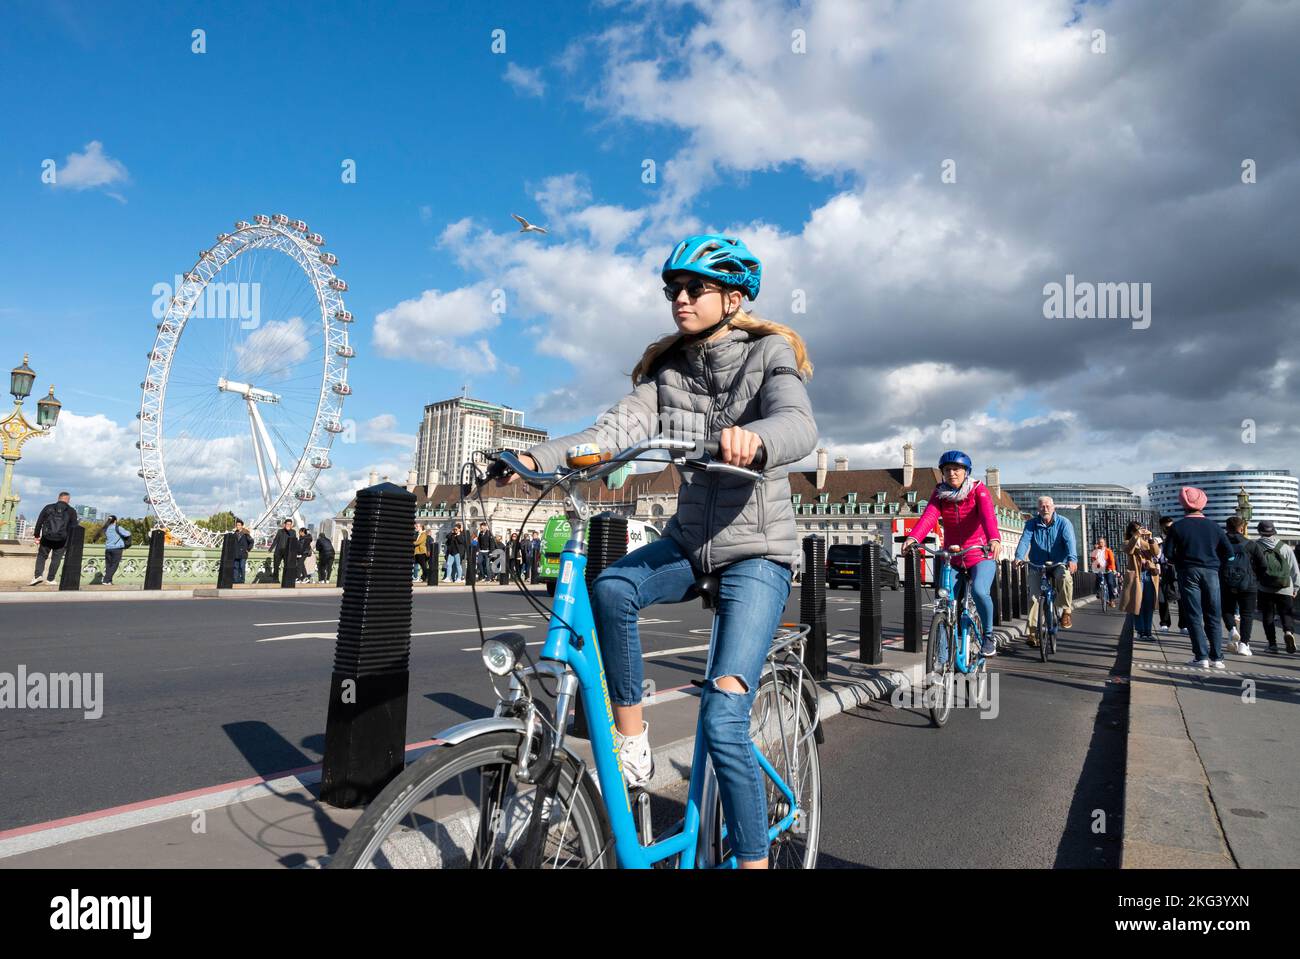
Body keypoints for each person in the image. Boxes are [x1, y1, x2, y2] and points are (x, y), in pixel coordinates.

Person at [503, 233, 816, 869]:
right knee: (611, 588)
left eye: (694, 288)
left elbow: (799, 425)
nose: (680, 298)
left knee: (724, 720)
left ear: (732, 298)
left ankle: (755, 862)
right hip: (689, 544)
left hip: (758, 553)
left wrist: (752, 441)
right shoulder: (669, 373)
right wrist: (537, 458)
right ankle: (632, 737)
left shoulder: (770, 352)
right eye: (673, 288)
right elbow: (610, 434)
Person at [900, 450, 1002, 658]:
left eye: (956, 469)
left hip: (980, 554)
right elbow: (929, 516)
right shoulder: (940, 493)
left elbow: (987, 516)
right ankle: (943, 659)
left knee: (980, 592)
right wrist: (913, 538)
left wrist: (994, 539)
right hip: (953, 557)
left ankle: (989, 636)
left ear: (966, 471)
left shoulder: (978, 490)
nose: (952, 473)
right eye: (947, 470)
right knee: (944, 603)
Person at [1163, 486, 1232, 668]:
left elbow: (1168, 553)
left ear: (1183, 504)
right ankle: (1217, 658)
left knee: (1194, 614)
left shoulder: (1177, 527)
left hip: (1188, 572)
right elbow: (1229, 553)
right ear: (1203, 504)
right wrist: (1217, 563)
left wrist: (1181, 561)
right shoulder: (1214, 526)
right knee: (1213, 614)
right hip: (1211, 572)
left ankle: (1201, 656)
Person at [1013, 496, 1078, 645]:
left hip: (1058, 563)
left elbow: (1070, 542)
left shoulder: (1064, 523)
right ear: (1038, 509)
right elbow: (1024, 540)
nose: (1045, 509)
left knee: (1065, 578)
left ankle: (1066, 611)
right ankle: (1033, 633)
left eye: (1048, 506)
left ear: (1053, 507)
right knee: (1034, 598)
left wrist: (1072, 559)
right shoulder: (1031, 524)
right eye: (1042, 506)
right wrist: (1018, 556)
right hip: (1037, 564)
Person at [1219, 516, 1263, 656]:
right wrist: (1255, 577)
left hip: (1225, 582)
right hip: (1248, 584)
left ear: (1226, 527)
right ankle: (1244, 644)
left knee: (1227, 609)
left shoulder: (1219, 544)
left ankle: (1232, 629)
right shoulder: (1251, 544)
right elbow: (1263, 565)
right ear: (1242, 528)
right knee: (1247, 614)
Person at [1254, 520, 1298, 653]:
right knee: (1286, 613)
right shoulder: (1285, 547)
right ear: (1274, 531)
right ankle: (1288, 632)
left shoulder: (1256, 547)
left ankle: (1272, 645)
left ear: (1259, 531)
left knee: (1268, 615)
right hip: (1285, 587)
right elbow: (1294, 570)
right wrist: (1295, 587)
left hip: (1264, 587)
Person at [1121, 522, 1161, 640]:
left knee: (1149, 604)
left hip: (1149, 575)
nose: (1140, 532)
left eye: (1141, 529)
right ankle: (1140, 631)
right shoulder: (1127, 542)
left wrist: (1150, 539)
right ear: (1131, 532)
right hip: (1136, 576)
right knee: (1138, 604)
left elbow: (1156, 552)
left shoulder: (1145, 543)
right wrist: (1136, 536)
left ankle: (1148, 631)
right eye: (1137, 530)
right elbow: (1129, 550)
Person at [29, 491, 78, 586]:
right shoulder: (71, 511)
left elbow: (39, 522)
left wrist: (36, 535)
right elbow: (74, 527)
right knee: (56, 559)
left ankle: (37, 576)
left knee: (42, 556)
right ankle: (50, 579)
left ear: (59, 498)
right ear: (68, 500)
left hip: (46, 538)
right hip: (62, 540)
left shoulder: (48, 507)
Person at [101, 514, 129, 586]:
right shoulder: (118, 528)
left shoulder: (106, 528)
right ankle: (106, 579)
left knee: (108, 565)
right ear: (115, 521)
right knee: (114, 565)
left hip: (108, 548)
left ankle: (109, 581)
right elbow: (127, 534)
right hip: (117, 548)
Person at [1090, 537, 1118, 607]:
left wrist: (1113, 569)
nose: (1101, 544)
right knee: (1098, 579)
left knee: (1110, 583)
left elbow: (1112, 561)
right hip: (1099, 569)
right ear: (1098, 544)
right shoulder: (1096, 551)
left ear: (1104, 543)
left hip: (1108, 570)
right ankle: (1098, 592)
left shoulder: (1108, 551)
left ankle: (1112, 600)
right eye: (1099, 542)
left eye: (1102, 542)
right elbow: (1093, 559)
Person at [230, 519, 254, 584]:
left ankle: (242, 580)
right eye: (237, 525)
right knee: (235, 567)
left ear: (242, 526)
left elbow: (251, 542)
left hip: (243, 554)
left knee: (242, 567)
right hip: (235, 553)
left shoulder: (246, 534)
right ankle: (235, 580)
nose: (237, 526)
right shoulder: (235, 534)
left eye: (239, 525)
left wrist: (248, 549)